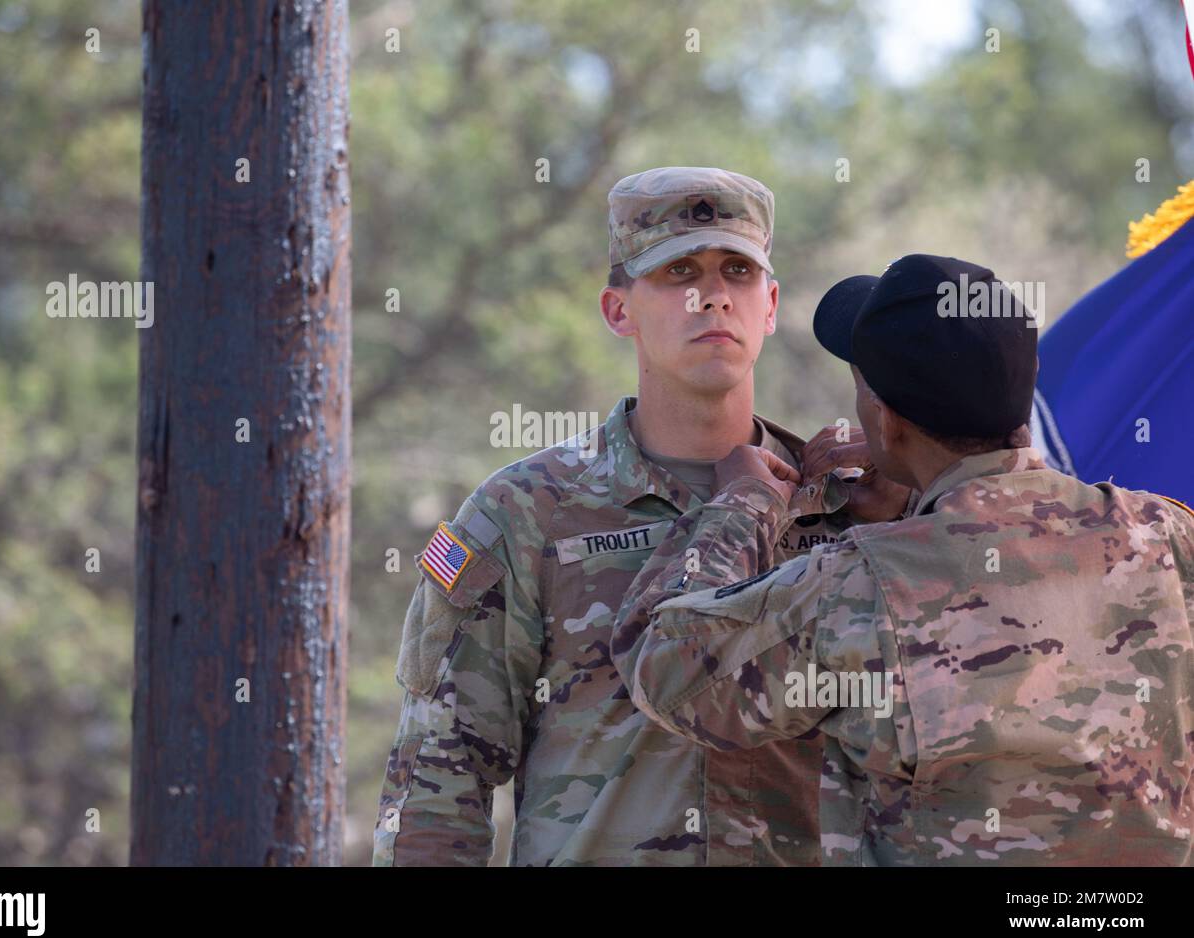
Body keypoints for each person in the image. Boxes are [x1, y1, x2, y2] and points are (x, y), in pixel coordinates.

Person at [372, 166, 909, 866]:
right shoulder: (525, 512)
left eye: (738, 272)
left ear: (770, 305)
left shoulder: (847, 504)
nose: (713, 295)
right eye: (679, 270)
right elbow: (437, 784)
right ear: (619, 310)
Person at [612, 253, 1194, 865]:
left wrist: (741, 505)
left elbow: (668, 670)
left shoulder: (859, 588)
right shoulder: (1166, 535)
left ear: (885, 423)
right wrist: (921, 490)